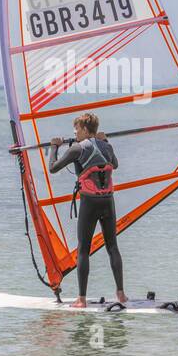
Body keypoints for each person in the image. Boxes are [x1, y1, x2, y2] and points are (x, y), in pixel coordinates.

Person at [48, 112, 125, 308]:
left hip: (90, 203)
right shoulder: (106, 146)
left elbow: (53, 168)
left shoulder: (77, 148)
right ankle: (121, 294)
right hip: (108, 202)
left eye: (76, 130)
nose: (75, 133)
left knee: (83, 249)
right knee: (112, 247)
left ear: (83, 129)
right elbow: (114, 164)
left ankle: (81, 299)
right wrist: (105, 140)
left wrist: (54, 147)